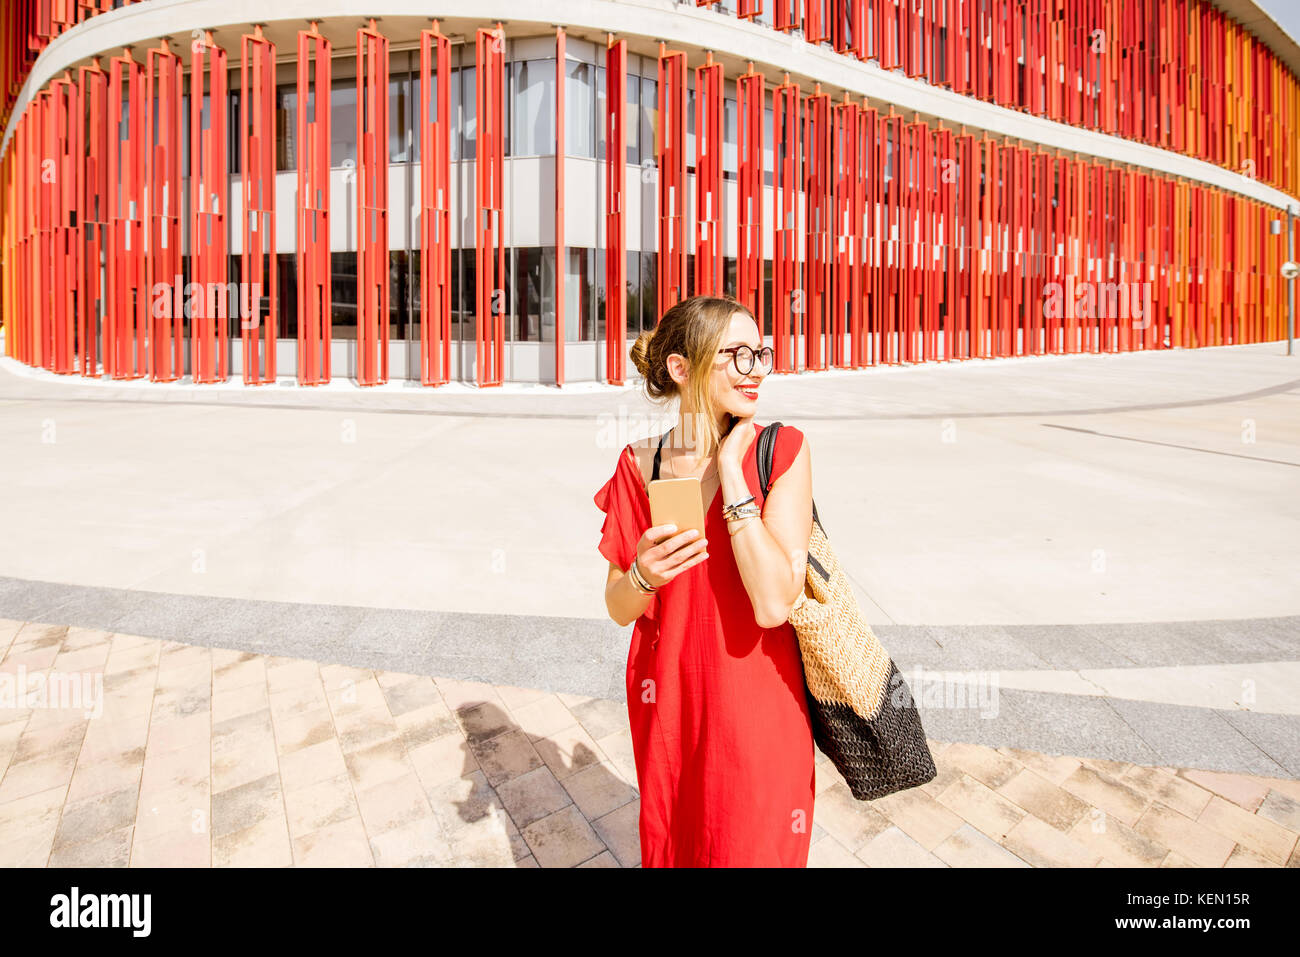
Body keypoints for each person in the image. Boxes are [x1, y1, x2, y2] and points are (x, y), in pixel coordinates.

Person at [592, 294, 816, 867]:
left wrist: (736, 473)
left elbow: (772, 604)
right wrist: (643, 572)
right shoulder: (640, 464)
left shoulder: (779, 451)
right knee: (678, 847)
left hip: (759, 706)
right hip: (670, 704)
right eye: (737, 355)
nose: (756, 370)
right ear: (681, 367)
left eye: (760, 353)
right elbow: (619, 606)